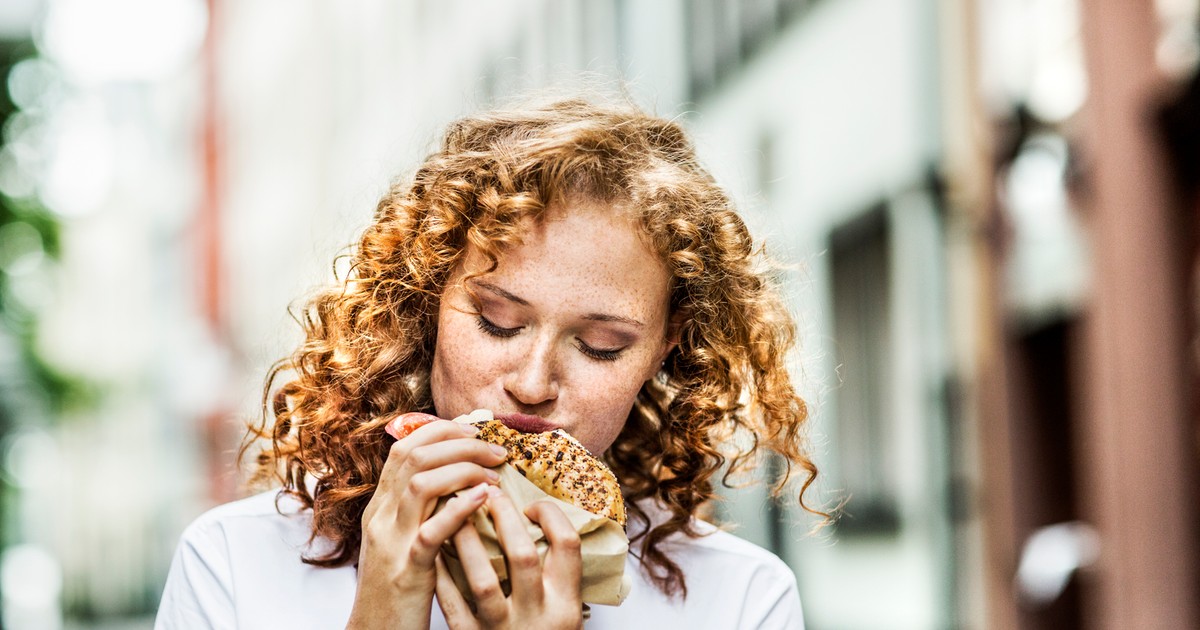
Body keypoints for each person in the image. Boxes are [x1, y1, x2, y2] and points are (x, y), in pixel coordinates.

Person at [155, 95, 822, 629]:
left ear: (665, 348)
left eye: (601, 346)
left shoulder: (740, 599)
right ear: (428, 301)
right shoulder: (237, 564)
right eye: (498, 322)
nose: (532, 384)